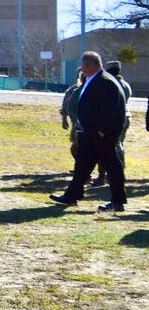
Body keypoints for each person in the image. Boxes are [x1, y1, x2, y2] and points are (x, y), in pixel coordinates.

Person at [51, 52, 129, 212]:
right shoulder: (97, 79)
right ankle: (72, 195)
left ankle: (118, 202)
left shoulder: (105, 82)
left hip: (101, 134)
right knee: (83, 164)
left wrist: (102, 131)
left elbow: (110, 110)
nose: (82, 70)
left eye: (84, 66)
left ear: (88, 65)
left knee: (112, 165)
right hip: (91, 132)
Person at [105, 61, 134, 171]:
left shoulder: (111, 83)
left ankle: (119, 167)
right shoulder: (126, 84)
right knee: (119, 142)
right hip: (126, 116)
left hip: (116, 117)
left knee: (115, 144)